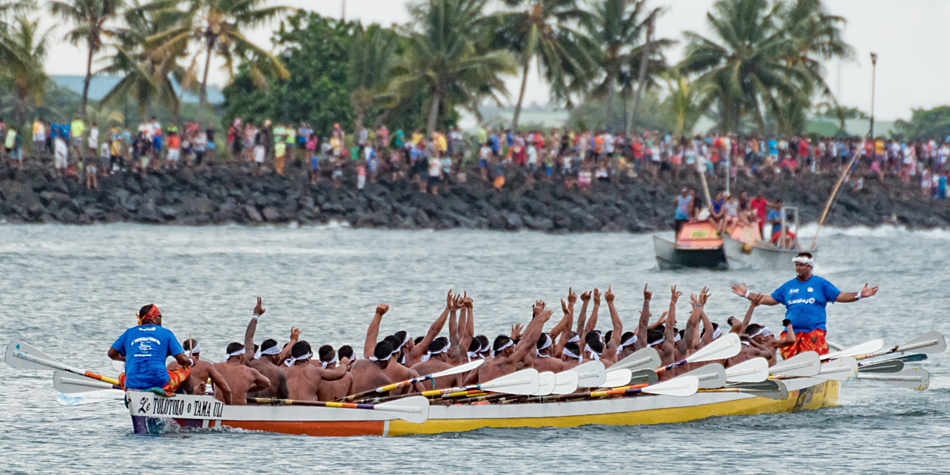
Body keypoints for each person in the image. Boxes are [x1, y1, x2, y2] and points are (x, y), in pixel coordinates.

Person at [731, 252, 878, 358]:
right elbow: (769, 299)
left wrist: (859, 295)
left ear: (809, 267)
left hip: (814, 332)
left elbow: (840, 296)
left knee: (813, 360)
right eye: (796, 265)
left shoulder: (821, 284)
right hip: (791, 335)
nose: (797, 268)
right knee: (791, 362)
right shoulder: (788, 286)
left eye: (800, 265)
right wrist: (747, 294)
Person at [108, 304, 194, 396]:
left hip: (133, 385)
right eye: (160, 317)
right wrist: (191, 361)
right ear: (153, 319)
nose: (161, 319)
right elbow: (182, 360)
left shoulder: (129, 333)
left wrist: (127, 358)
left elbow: (111, 354)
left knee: (122, 376)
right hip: (160, 384)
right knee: (185, 370)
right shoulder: (166, 333)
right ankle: (191, 397)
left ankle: (137, 393)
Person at [241, 298, 289, 399]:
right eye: (279, 355)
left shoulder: (250, 361)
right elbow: (285, 400)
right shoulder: (279, 372)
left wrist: (255, 315)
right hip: (264, 410)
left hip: (245, 406)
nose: (280, 358)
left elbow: (248, 337)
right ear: (274, 355)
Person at [167, 338, 232, 403]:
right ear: (198, 354)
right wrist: (228, 406)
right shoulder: (206, 366)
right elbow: (226, 390)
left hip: (176, 403)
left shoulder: (171, 365)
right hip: (196, 403)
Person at [283, 341, 349, 402]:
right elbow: (341, 373)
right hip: (308, 409)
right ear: (311, 354)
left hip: (288, 409)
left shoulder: (284, 372)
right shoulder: (315, 371)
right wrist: (344, 363)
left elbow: (273, 365)